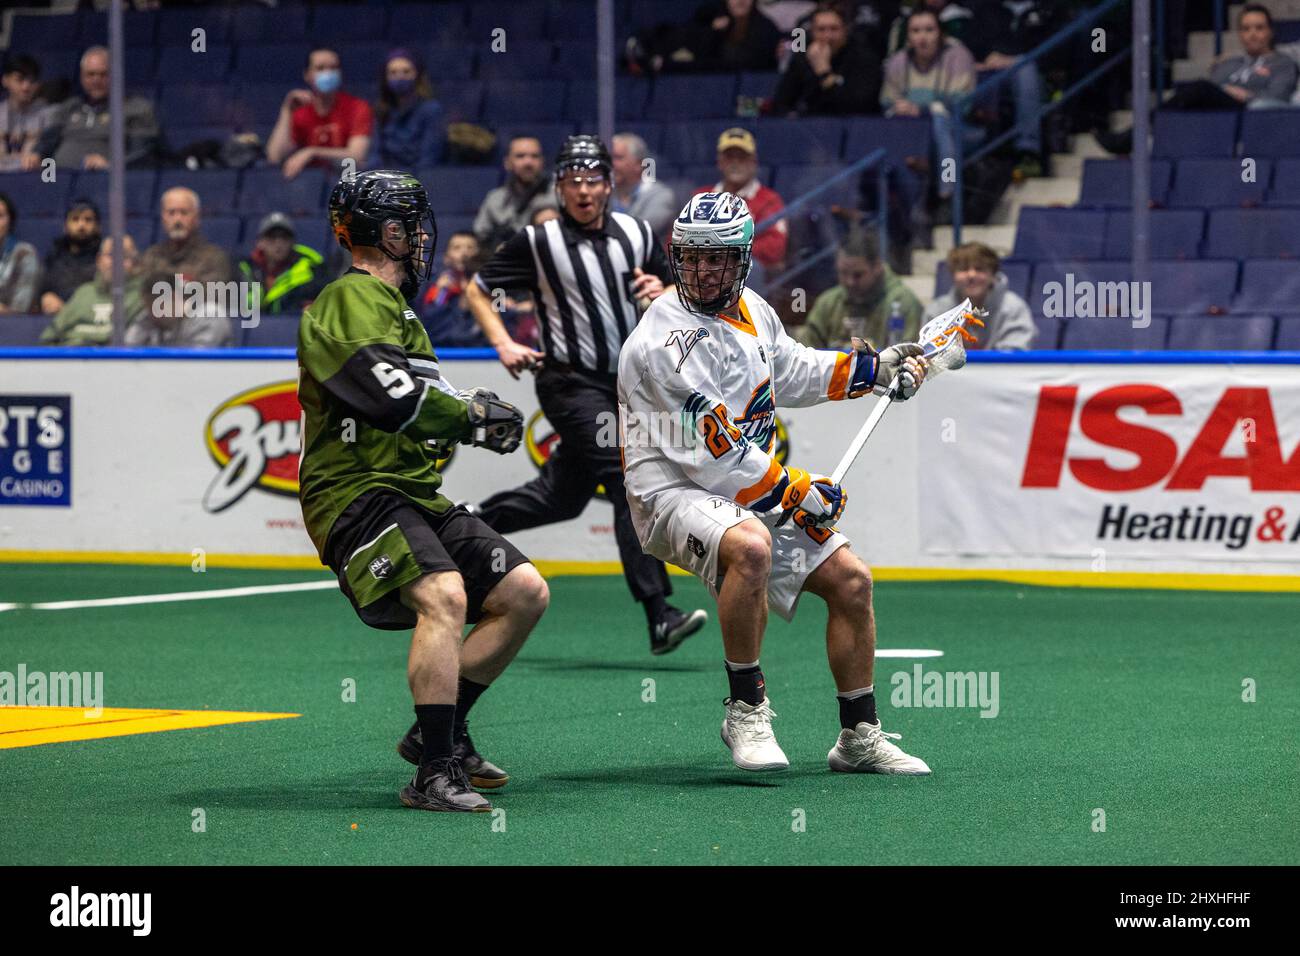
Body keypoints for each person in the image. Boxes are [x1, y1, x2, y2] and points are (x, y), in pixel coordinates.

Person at [618, 191, 932, 774]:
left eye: (718, 259)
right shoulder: (659, 345)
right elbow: (713, 456)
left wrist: (875, 369)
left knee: (852, 582)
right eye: (691, 258)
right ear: (675, 257)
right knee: (751, 547)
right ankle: (745, 710)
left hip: (738, 485)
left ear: (742, 262)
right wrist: (795, 493)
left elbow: (792, 370)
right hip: (671, 490)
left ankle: (858, 736)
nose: (703, 271)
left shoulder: (752, 310)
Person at [298, 169, 548, 813]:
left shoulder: (395, 309)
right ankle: (434, 773)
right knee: (444, 594)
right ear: (387, 232)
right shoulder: (349, 299)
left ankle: (441, 731)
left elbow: (412, 403)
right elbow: (389, 394)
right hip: (355, 494)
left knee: (523, 593)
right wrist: (468, 417)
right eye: (411, 227)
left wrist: (460, 414)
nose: (419, 238)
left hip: (410, 491)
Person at [465, 135, 708, 655]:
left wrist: (659, 293)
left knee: (561, 497)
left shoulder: (637, 232)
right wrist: (504, 342)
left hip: (622, 386)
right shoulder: (539, 241)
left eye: (592, 180)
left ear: (608, 184)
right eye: (571, 181)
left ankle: (466, 524)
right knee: (626, 479)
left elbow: (676, 293)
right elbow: (477, 290)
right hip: (569, 382)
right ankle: (659, 613)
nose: (582, 191)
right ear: (559, 187)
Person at [1097, 3, 1299, 154]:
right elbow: (1217, 85)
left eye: (1259, 28)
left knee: (1198, 89)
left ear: (1271, 31)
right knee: (1192, 97)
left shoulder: (1282, 63)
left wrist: (1243, 95)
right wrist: (1227, 91)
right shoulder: (1229, 63)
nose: (1252, 34)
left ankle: (1131, 137)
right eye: (1246, 29)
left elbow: (1278, 95)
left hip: (1251, 115)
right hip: (1217, 117)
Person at [881, 8, 977, 204]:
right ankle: (890, 199)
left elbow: (960, 103)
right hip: (912, 129)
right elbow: (887, 101)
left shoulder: (958, 56)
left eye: (929, 30)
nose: (922, 37)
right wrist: (900, 108)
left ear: (940, 33)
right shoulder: (898, 61)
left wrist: (922, 109)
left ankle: (948, 190)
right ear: (908, 36)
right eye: (915, 31)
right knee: (892, 125)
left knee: (940, 124)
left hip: (958, 128)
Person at [131, 187, 234, 346]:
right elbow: (144, 295)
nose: (177, 219)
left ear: (197, 218)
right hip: (157, 328)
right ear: (163, 218)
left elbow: (210, 299)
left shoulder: (214, 258)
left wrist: (167, 292)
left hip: (194, 330)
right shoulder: (152, 255)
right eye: (171, 213)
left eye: (184, 213)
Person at [795, 228, 922, 349]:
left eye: (858, 275)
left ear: (877, 267)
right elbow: (805, 354)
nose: (850, 282)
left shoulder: (903, 303)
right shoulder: (827, 303)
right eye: (843, 273)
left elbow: (908, 358)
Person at [36, 47, 160, 170]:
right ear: (81, 77)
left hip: (105, 181)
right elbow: (46, 144)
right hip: (55, 178)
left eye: (103, 74)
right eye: (90, 74)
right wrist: (35, 155)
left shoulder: (137, 108)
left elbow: (143, 153)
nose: (96, 80)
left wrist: (110, 166)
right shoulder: (68, 107)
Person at [266, 48, 373, 180]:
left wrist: (312, 152)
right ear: (307, 75)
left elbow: (357, 155)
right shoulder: (300, 111)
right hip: (308, 186)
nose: (328, 73)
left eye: (333, 68)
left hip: (345, 183)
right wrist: (286, 111)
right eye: (320, 68)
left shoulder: (358, 107)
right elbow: (275, 156)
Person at [694, 128, 787, 273]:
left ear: (753, 162)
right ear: (720, 162)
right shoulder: (700, 197)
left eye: (742, 157)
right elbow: (676, 240)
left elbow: (774, 249)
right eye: (730, 157)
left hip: (747, 280)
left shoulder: (769, 200)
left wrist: (721, 250)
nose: (735, 163)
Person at [771, 3, 882, 116]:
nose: (827, 36)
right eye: (821, 29)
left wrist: (824, 72)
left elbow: (858, 106)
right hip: (811, 127)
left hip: (856, 128)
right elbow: (781, 103)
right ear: (812, 32)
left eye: (834, 29)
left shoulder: (864, 57)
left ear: (845, 30)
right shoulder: (803, 57)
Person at [923, 241, 1034, 349]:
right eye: (963, 269)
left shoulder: (1014, 308)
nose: (971, 275)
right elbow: (931, 357)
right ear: (953, 275)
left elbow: (1013, 357)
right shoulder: (936, 312)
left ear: (993, 275)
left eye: (980, 269)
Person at [41, 235, 144, 346]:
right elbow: (48, 339)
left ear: (135, 263)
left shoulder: (142, 298)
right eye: (110, 255)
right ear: (99, 260)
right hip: (70, 359)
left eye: (124, 256)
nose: (116, 262)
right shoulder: (83, 293)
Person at [472, 136, 557, 252]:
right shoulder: (495, 199)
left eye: (534, 156)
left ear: (542, 162)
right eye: (520, 156)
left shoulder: (559, 194)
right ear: (507, 163)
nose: (528, 162)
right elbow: (481, 238)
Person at [236, 212, 327, 315]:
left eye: (285, 237)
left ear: (293, 242)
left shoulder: (312, 270)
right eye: (271, 237)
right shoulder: (243, 270)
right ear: (260, 242)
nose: (278, 243)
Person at [370, 48, 444, 170]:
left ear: (417, 74)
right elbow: (375, 154)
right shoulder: (381, 110)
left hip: (418, 178)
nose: (400, 77)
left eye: (406, 72)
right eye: (393, 73)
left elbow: (429, 158)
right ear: (386, 78)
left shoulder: (431, 109)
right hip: (387, 178)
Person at [418, 230, 491, 348]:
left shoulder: (495, 287)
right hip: (445, 353)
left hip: (484, 354)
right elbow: (427, 328)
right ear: (447, 257)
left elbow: (504, 317)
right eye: (457, 248)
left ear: (479, 254)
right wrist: (441, 295)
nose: (464, 253)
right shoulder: (435, 287)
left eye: (470, 247)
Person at [39, 198, 101, 316]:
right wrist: (45, 296)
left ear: (97, 226)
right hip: (55, 318)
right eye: (75, 219)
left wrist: (67, 311)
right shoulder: (54, 255)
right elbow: (43, 290)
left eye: (88, 220)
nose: (81, 225)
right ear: (65, 226)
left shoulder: (104, 258)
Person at [611, 132, 676, 241]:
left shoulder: (661, 196)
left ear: (638, 164)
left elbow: (641, 233)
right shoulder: (602, 194)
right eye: (609, 157)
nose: (611, 163)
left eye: (618, 158)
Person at [0, 54, 49, 173]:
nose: (26, 87)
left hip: (30, 179)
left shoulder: (48, 115)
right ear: (5, 80)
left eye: (32, 81)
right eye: (19, 79)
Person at [0, 192, 41, 314]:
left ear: (10, 221)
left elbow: (20, 308)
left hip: (11, 327)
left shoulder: (24, 254)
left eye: (0, 216)